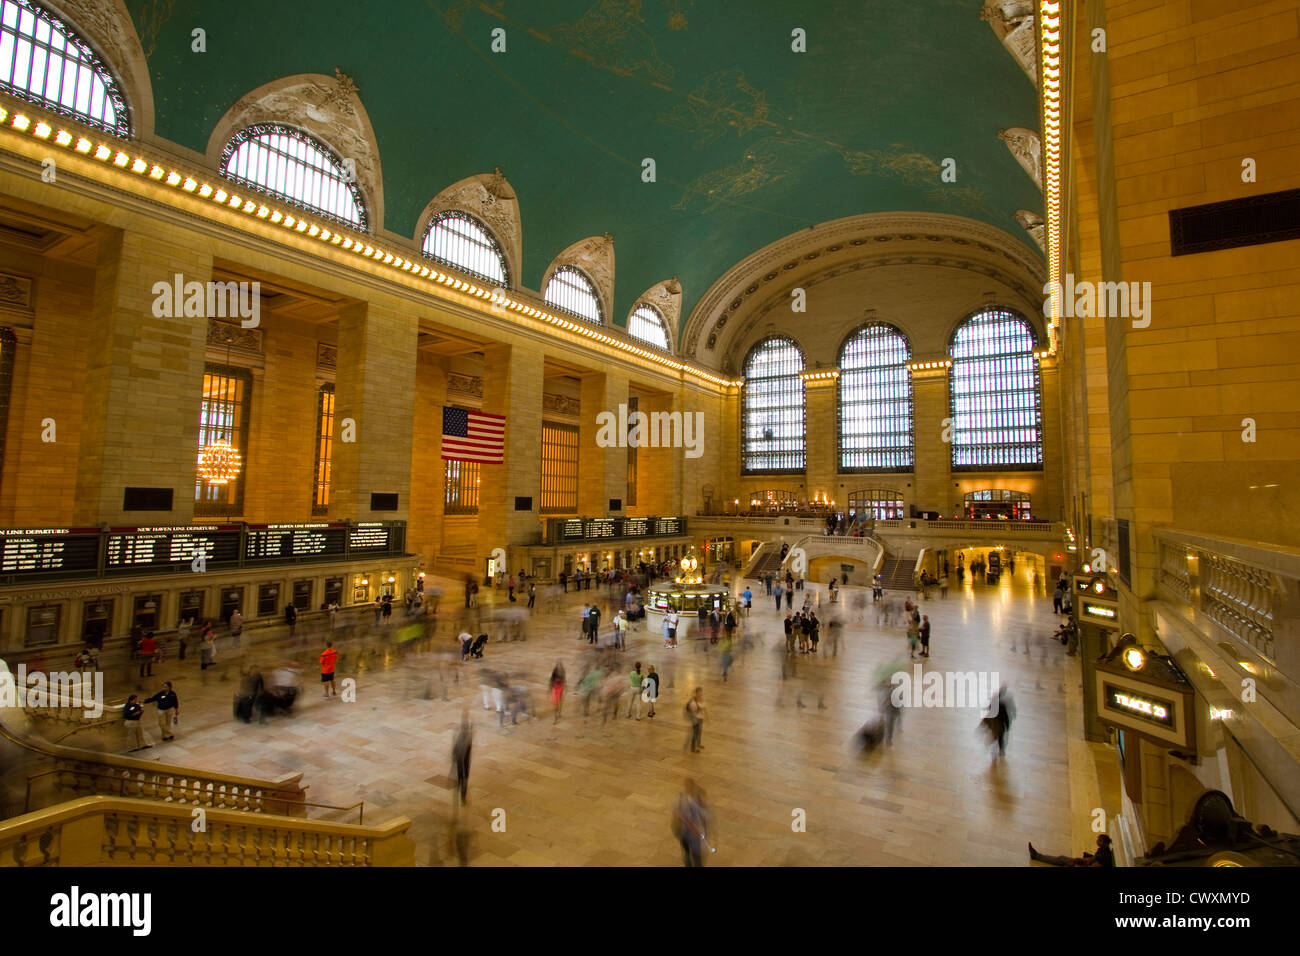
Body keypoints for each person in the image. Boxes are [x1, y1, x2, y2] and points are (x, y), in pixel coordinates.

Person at [673, 778, 712, 866]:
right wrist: (698, 831)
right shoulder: (685, 801)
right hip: (689, 835)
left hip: (690, 835)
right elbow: (686, 820)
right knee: (693, 857)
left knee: (691, 856)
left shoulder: (694, 804)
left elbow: (702, 818)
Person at [1029, 833, 1115, 867]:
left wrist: (1075, 864)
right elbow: (1090, 860)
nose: (1097, 841)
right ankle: (1036, 856)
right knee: (1061, 858)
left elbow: (1092, 865)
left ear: (1105, 844)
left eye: (1099, 840)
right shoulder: (1101, 850)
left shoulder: (1104, 857)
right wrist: (1075, 860)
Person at [451, 714, 473, 808]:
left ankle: (462, 793)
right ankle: (462, 794)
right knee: (463, 779)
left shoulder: (461, 737)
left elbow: (455, 749)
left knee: (462, 779)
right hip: (463, 761)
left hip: (462, 761)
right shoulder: (467, 738)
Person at [685, 686, 706, 753]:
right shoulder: (693, 701)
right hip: (695, 720)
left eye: (701, 693)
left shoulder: (701, 699)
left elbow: (704, 707)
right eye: (699, 693)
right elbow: (693, 710)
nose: (700, 694)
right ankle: (693, 748)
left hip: (700, 718)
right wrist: (699, 708)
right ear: (696, 693)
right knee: (695, 734)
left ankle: (698, 744)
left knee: (699, 732)